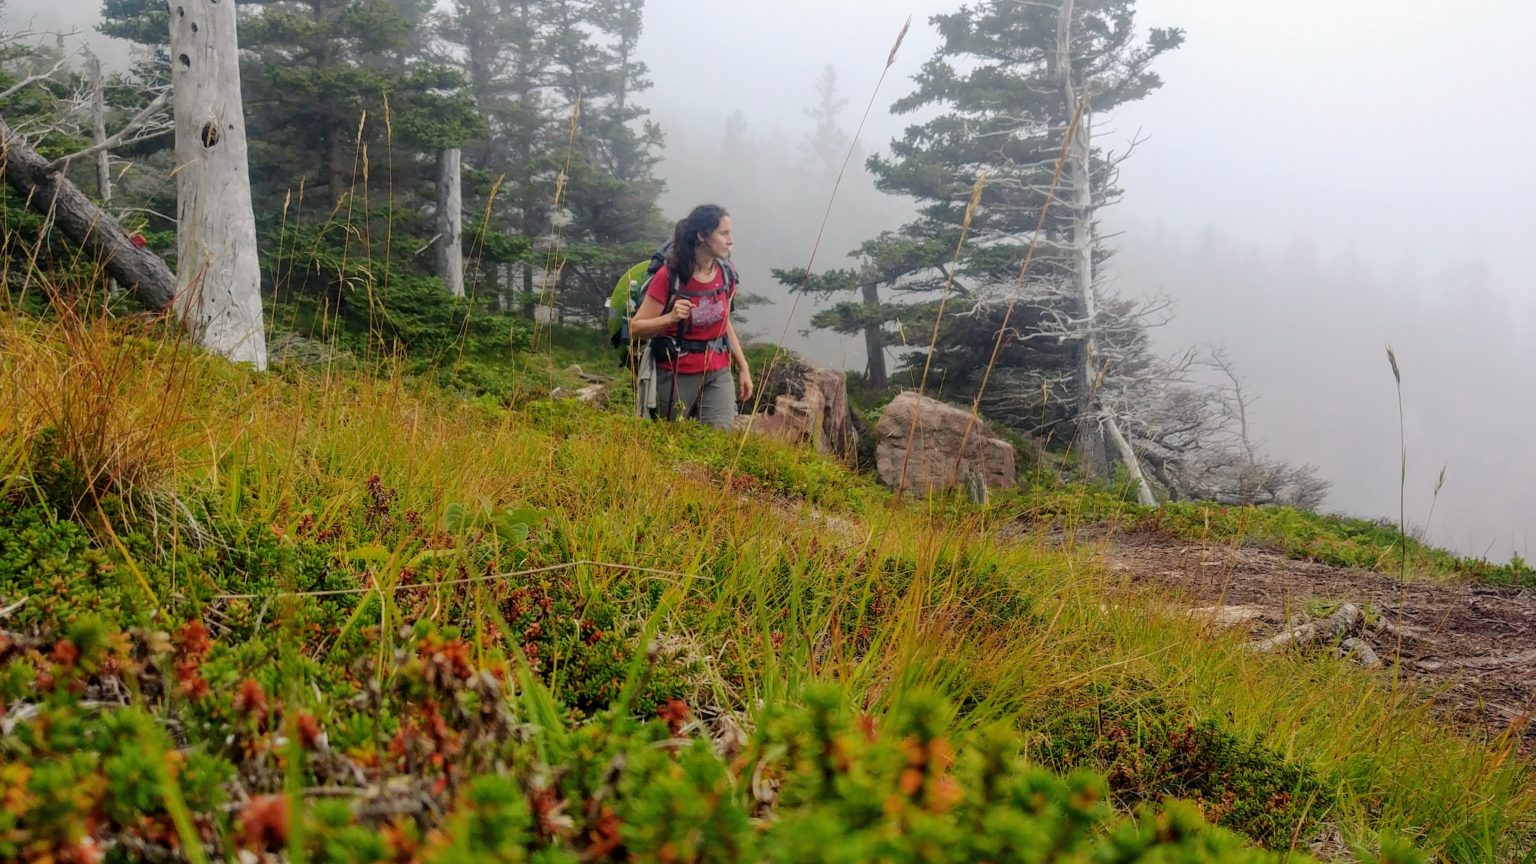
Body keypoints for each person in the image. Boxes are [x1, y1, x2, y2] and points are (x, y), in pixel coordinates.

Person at [629, 205, 753, 428]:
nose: (730, 240)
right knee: (670, 440)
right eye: (723, 233)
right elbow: (635, 328)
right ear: (702, 235)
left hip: (717, 370)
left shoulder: (726, 274)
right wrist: (669, 318)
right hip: (676, 373)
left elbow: (725, 323)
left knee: (717, 442)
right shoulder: (669, 277)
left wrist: (743, 367)